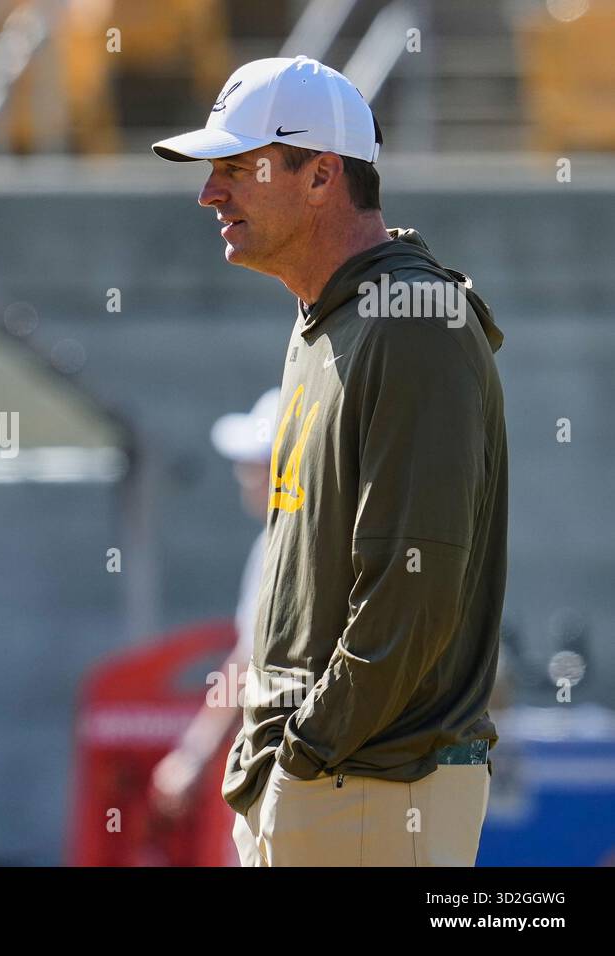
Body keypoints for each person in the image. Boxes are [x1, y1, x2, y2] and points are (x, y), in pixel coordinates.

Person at [152, 56, 508, 866]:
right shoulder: (329, 322)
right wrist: (281, 764)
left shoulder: (415, 320)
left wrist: (308, 754)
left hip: (373, 788)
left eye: (239, 168)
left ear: (321, 175)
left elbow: (416, 584)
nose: (211, 194)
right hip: (330, 785)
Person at [148, 389, 277, 840]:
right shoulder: (280, 542)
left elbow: (246, 662)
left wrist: (192, 754)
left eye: (255, 462)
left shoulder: (279, 547)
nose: (243, 475)